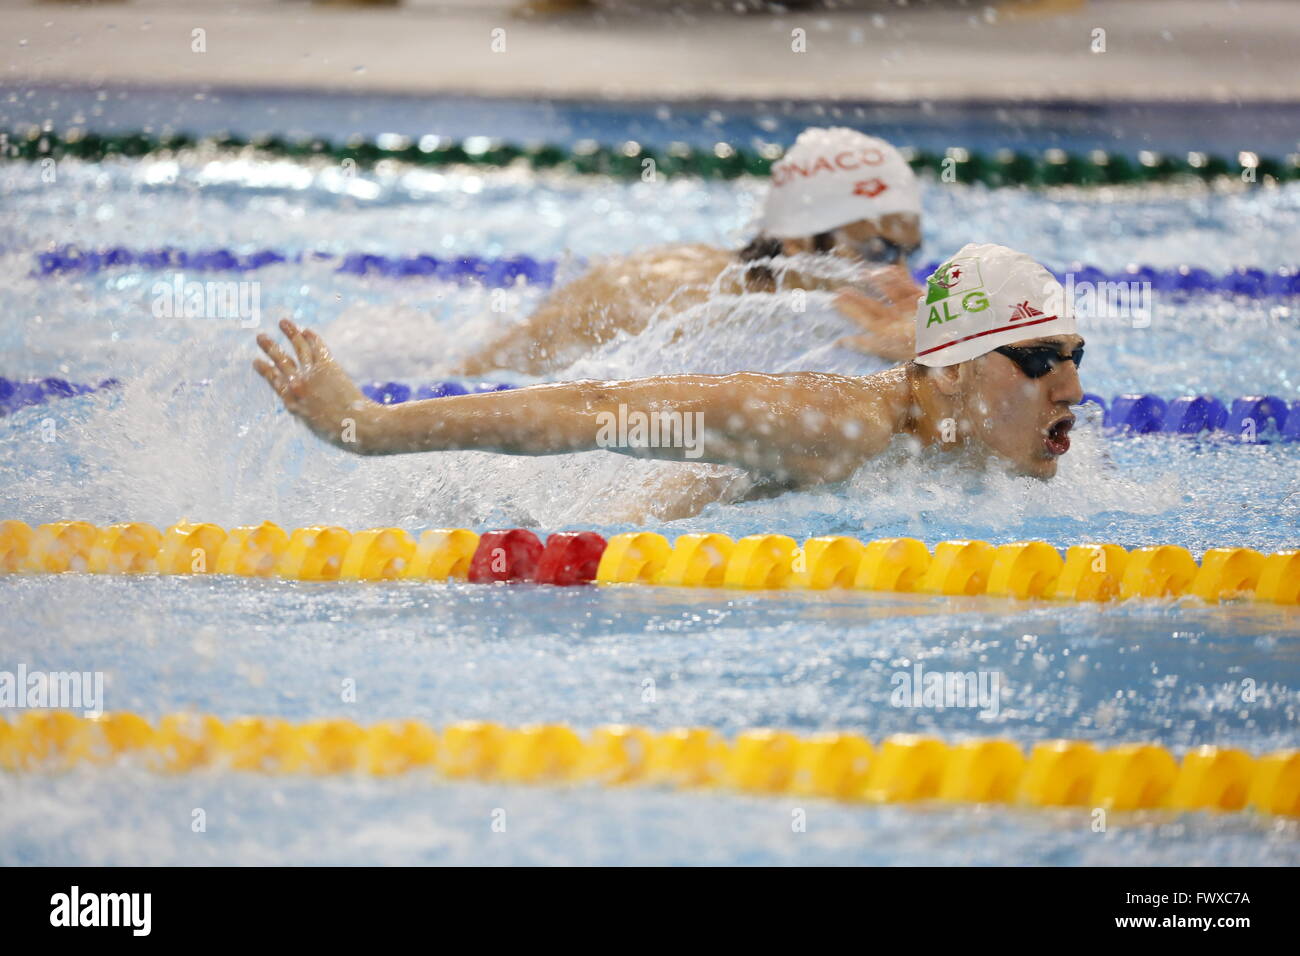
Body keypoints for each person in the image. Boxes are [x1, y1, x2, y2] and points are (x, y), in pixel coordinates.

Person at [254, 243, 1084, 516]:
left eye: (1075, 357)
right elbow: (600, 411)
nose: (1072, 389)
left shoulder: (980, 416)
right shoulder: (830, 426)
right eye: (1043, 362)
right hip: (581, 539)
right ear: (947, 374)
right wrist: (364, 424)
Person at [451, 126, 925, 376]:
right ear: (799, 240)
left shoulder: (796, 304)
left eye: (907, 253)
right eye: (876, 250)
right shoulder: (682, 298)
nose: (898, 275)